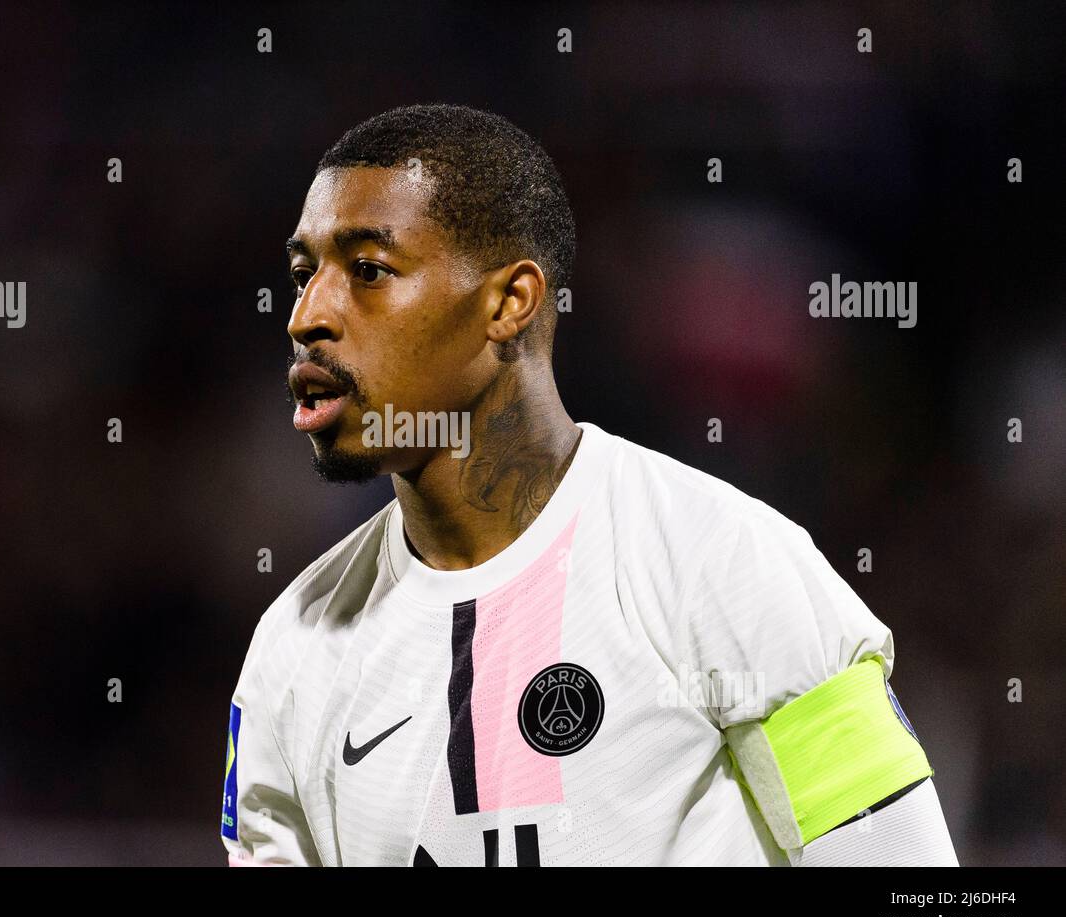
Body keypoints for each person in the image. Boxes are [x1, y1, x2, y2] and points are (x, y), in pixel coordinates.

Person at [220, 103, 958, 866]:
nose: (305, 316)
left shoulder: (724, 564)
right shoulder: (292, 650)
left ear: (509, 303)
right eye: (304, 274)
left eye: (367, 271)